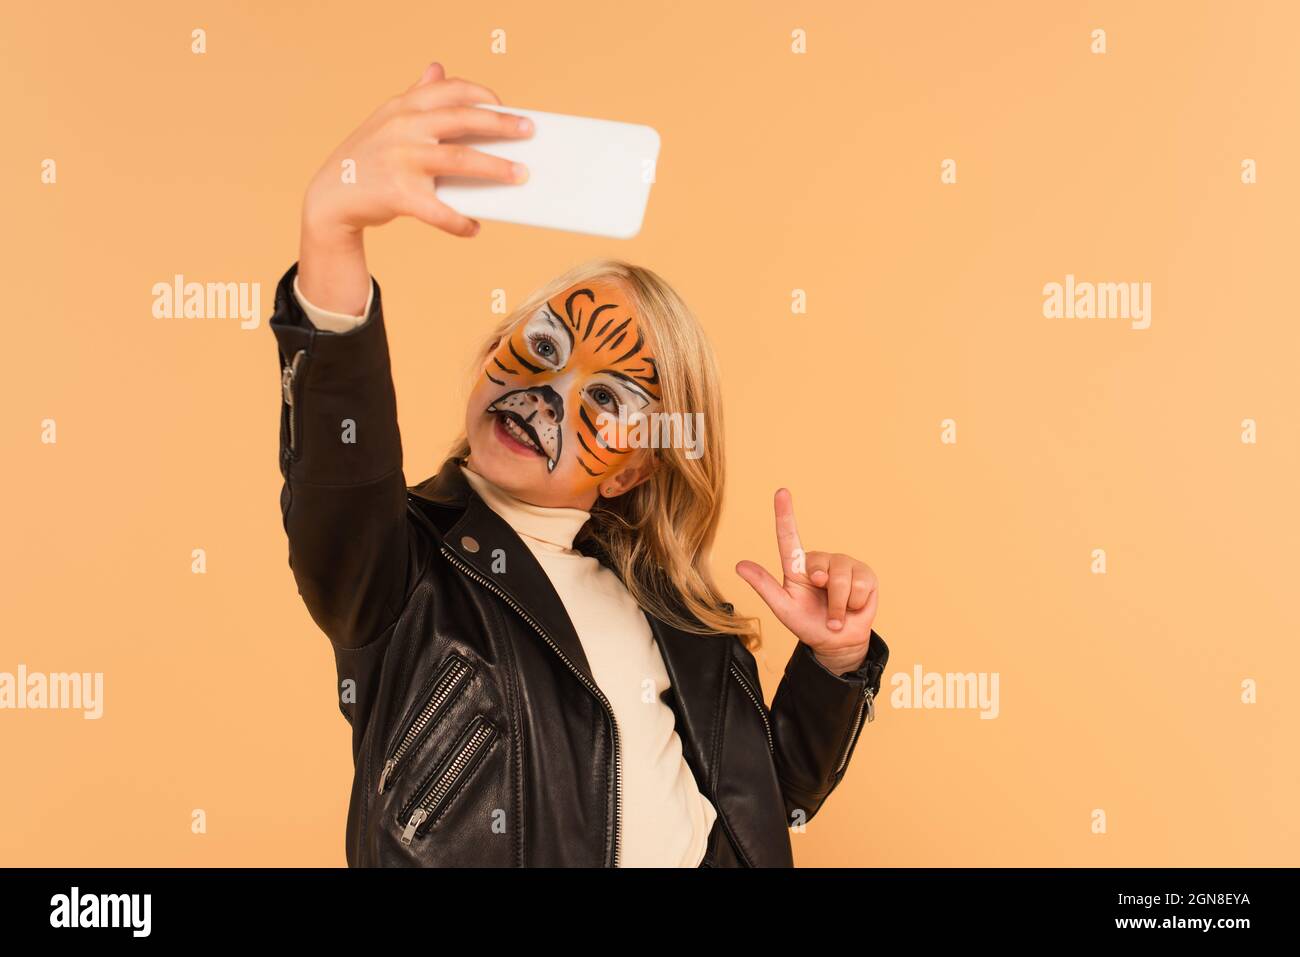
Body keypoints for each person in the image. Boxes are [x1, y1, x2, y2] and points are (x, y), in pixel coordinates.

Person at [270, 61, 889, 867]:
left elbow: (766, 809)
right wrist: (332, 232)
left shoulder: (677, 615)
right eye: (544, 345)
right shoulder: (401, 569)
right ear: (499, 346)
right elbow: (339, 473)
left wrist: (836, 664)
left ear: (631, 470)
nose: (544, 392)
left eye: (605, 401)